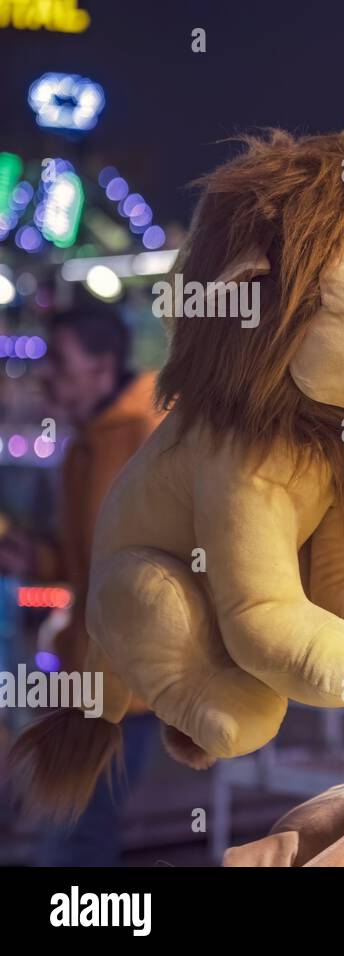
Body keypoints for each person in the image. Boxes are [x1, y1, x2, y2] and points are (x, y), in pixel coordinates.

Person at [0, 305, 164, 865]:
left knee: (76, 831)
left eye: (59, 362)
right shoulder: (86, 441)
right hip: (84, 669)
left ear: (102, 365)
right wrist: (37, 558)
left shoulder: (150, 431)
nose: (46, 375)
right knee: (73, 826)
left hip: (131, 681)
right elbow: (89, 562)